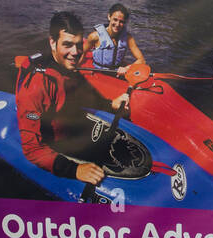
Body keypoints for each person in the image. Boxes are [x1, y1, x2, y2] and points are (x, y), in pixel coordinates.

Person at [14, 11, 129, 186]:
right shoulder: (36, 87)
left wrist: (109, 104)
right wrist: (75, 170)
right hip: (54, 145)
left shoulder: (66, 64)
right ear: (52, 42)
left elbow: (81, 91)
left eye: (78, 44)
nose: (75, 52)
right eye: (67, 45)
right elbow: (32, 149)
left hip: (70, 128)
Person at [84, 3, 146, 76]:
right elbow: (81, 53)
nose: (117, 24)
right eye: (115, 20)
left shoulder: (128, 38)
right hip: (98, 72)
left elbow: (142, 60)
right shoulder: (94, 36)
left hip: (117, 73)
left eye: (121, 22)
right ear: (109, 17)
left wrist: (127, 68)